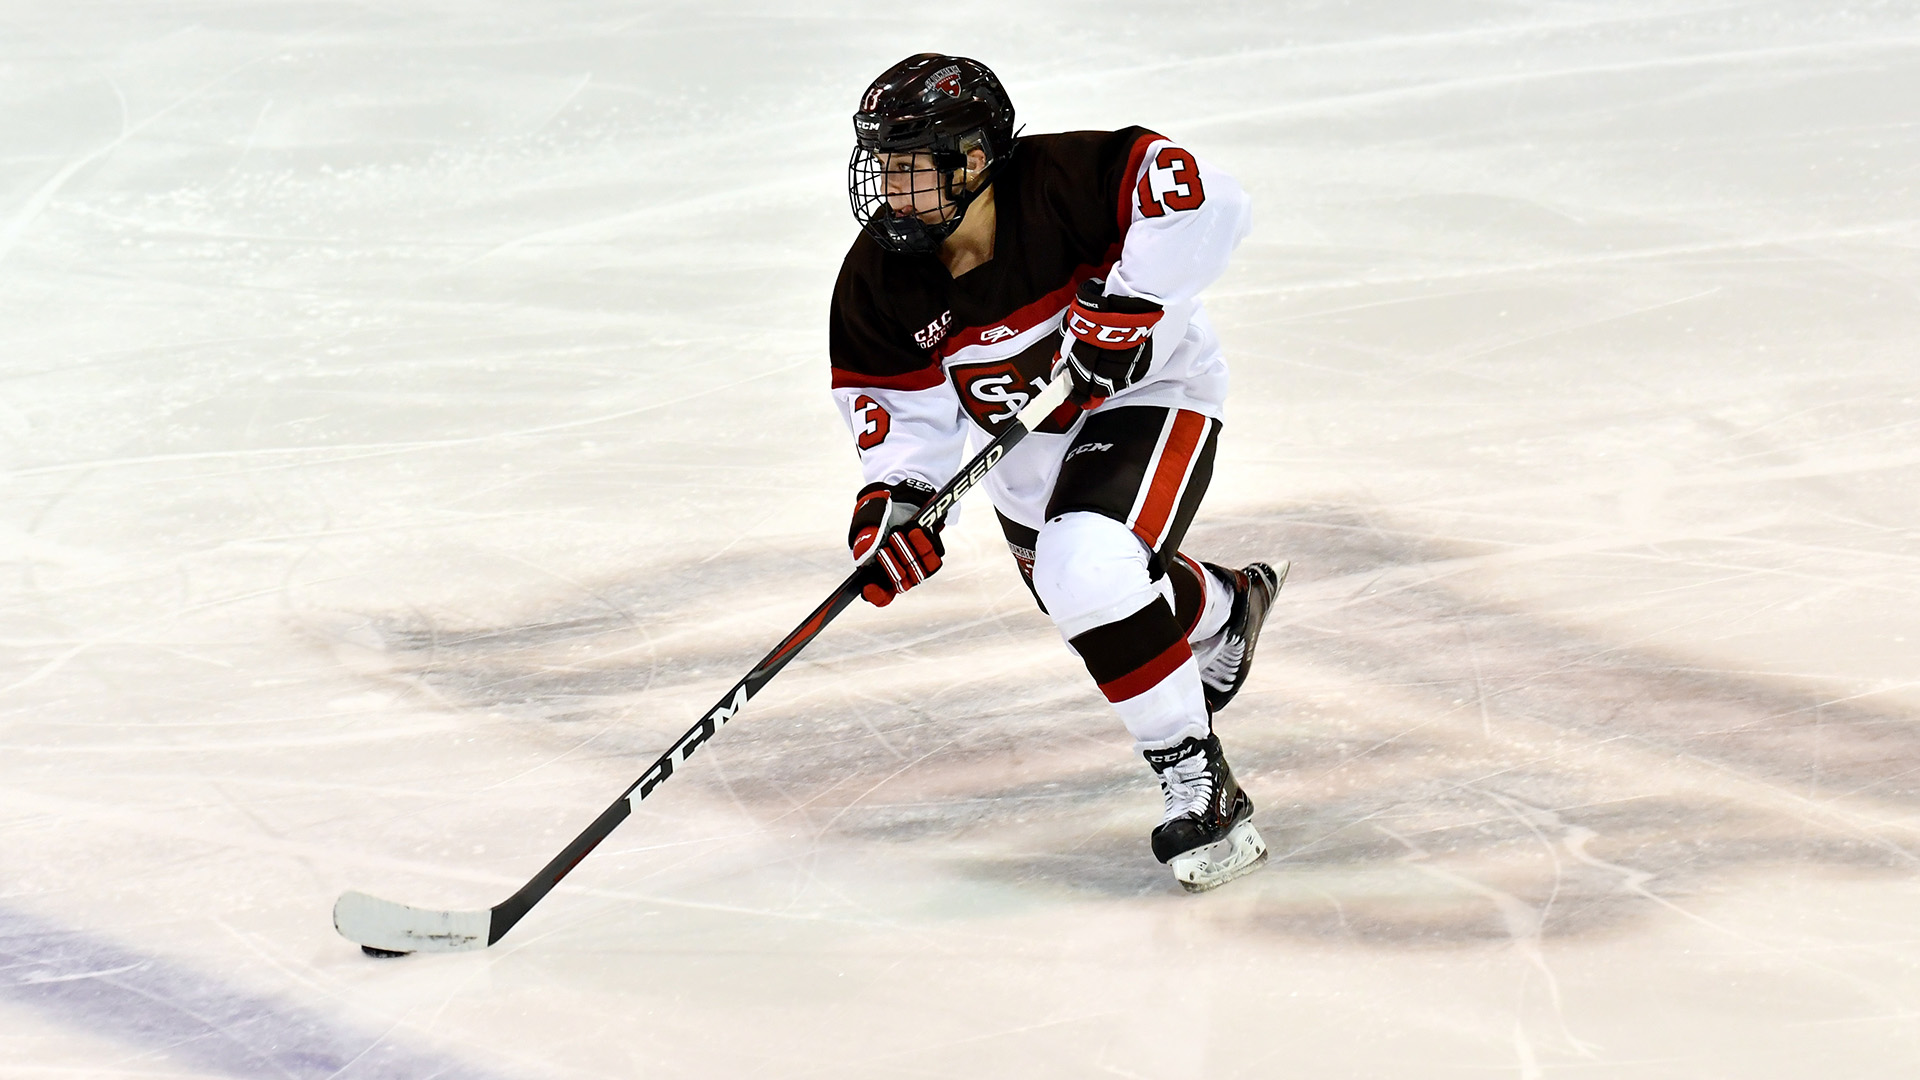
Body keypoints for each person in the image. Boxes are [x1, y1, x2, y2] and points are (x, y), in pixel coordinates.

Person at [828, 53, 1285, 892]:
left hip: (1154, 395)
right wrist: (901, 506)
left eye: (908, 167)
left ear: (971, 159)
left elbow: (1211, 203)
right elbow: (906, 425)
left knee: (1090, 570)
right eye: (883, 166)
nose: (889, 190)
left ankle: (1200, 782)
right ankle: (1225, 606)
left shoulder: (1074, 177)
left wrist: (1136, 305)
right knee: (1094, 596)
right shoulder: (877, 282)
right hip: (1027, 449)